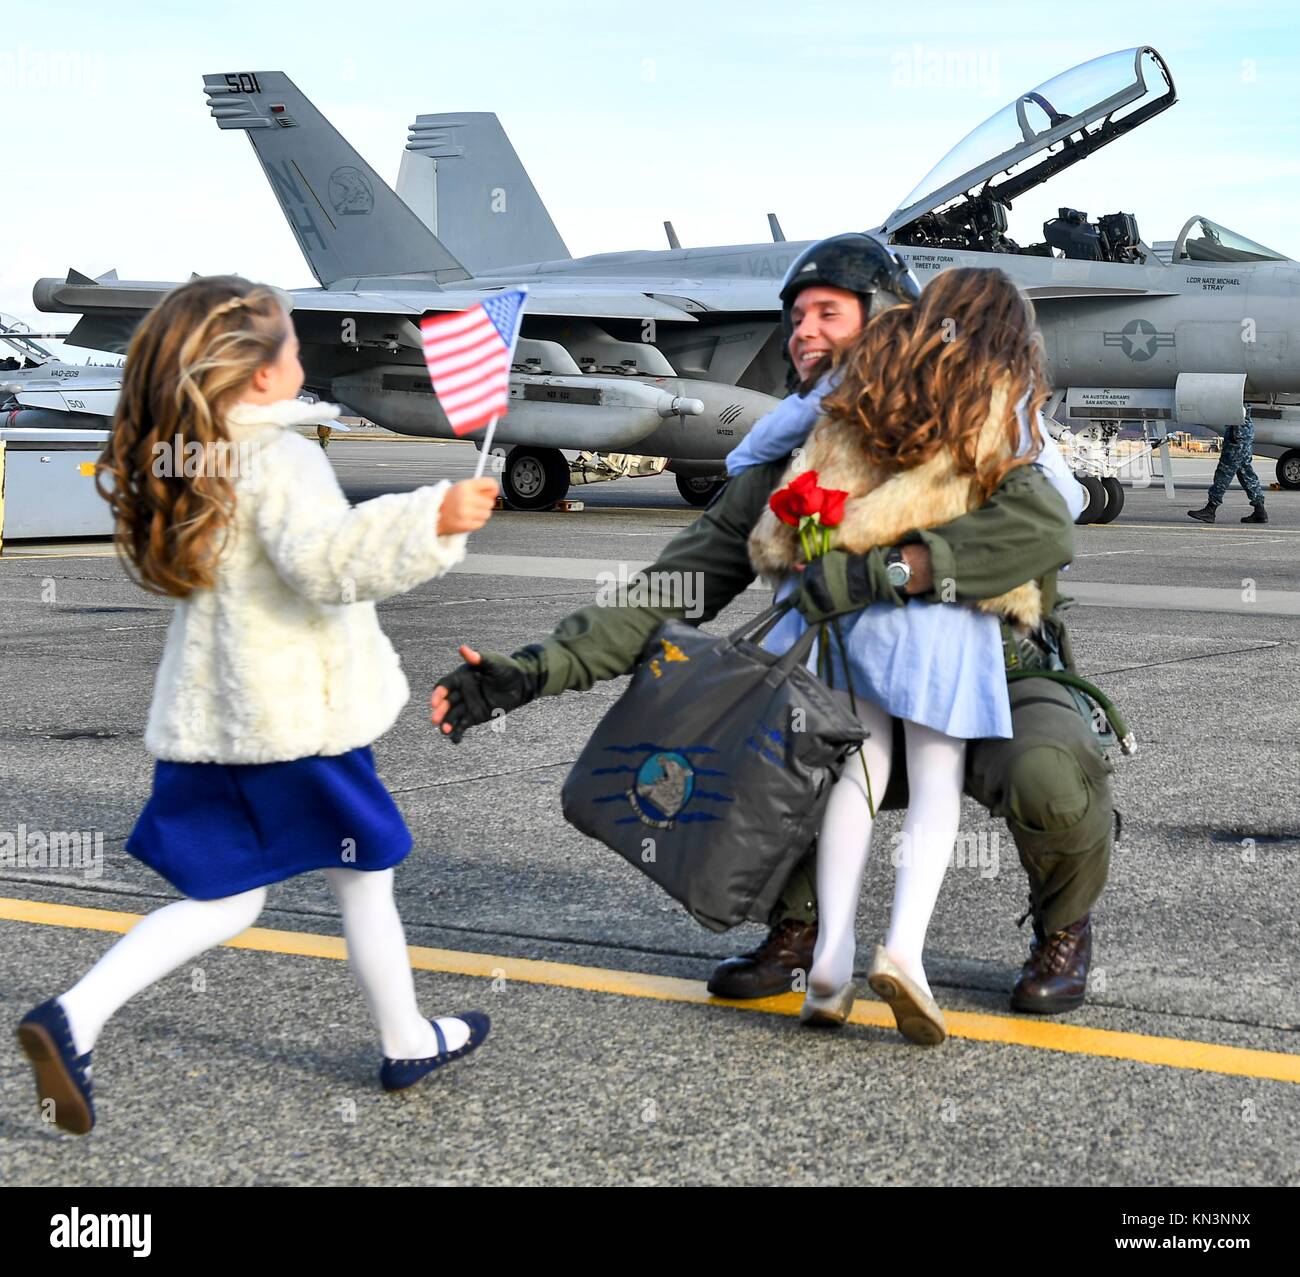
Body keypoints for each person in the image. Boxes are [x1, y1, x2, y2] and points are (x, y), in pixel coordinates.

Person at [432, 234, 1113, 1017]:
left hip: (995, 667)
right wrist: (534, 669)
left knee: (1049, 776)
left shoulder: (969, 414)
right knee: (762, 742)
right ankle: (803, 928)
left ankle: (1064, 929)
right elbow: (673, 584)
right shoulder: (793, 450)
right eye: (794, 316)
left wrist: (895, 571)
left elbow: (1037, 529)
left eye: (827, 312)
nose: (801, 331)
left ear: (892, 319)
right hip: (848, 675)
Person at [16, 276, 499, 1135]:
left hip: (215, 723)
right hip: (298, 720)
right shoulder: (280, 456)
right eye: (293, 346)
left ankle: (76, 1015)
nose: (304, 358)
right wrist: (439, 518)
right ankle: (405, 1037)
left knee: (228, 897)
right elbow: (330, 561)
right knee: (364, 873)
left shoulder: (188, 457)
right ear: (262, 375)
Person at [751, 267, 1051, 1044]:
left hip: (855, 601)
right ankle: (905, 951)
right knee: (938, 777)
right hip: (944, 607)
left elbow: (772, 442)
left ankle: (831, 951)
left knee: (860, 766)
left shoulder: (876, 363)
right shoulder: (1003, 385)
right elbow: (1052, 497)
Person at [1188, 405, 1267, 523]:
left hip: (1237, 431)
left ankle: (1211, 508)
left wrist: (1234, 431)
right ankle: (1259, 510)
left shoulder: (1237, 391)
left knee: (1224, 471)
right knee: (1245, 472)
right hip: (1243, 430)